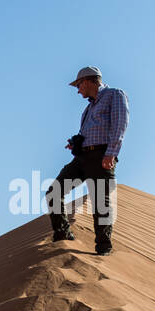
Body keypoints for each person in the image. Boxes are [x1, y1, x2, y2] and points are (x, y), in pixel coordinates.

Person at [45, 66, 130, 255]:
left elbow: (120, 124)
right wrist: (76, 141)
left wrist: (111, 153)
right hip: (82, 158)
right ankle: (63, 234)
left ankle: (103, 248)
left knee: (101, 203)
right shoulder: (88, 108)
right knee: (54, 192)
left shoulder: (114, 95)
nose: (77, 89)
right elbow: (89, 132)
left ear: (88, 81)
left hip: (102, 156)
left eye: (78, 85)